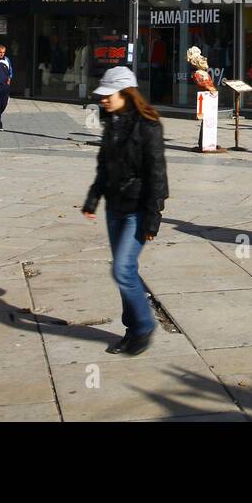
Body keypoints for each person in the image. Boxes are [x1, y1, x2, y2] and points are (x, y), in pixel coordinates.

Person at [82, 67, 169, 356]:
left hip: (137, 211)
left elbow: (158, 176)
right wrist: (93, 199)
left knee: (121, 269)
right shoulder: (112, 122)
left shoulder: (148, 126)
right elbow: (103, 165)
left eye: (109, 95)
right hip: (114, 209)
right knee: (126, 272)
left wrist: (153, 219)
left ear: (126, 94)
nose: (103, 100)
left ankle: (144, 326)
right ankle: (132, 329)